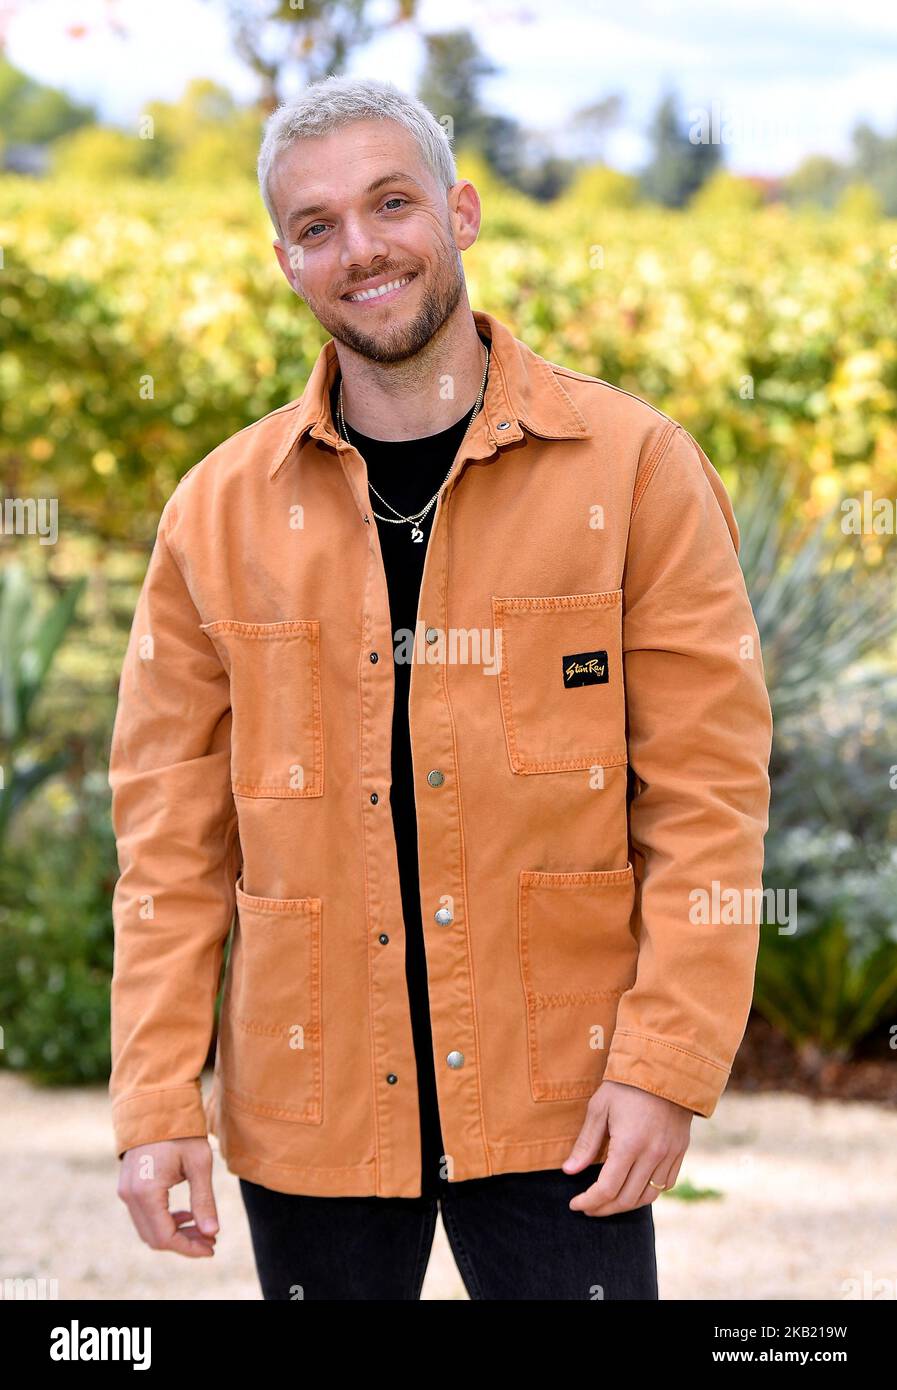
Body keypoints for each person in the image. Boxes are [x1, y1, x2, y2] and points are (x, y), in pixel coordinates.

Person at [109, 75, 773, 1300]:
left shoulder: (634, 471)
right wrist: (155, 1100)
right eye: (317, 227)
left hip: (562, 1097)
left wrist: (666, 1061)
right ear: (285, 261)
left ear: (460, 213)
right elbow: (169, 838)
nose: (360, 248)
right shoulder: (213, 514)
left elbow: (707, 799)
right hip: (312, 1109)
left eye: (391, 203)